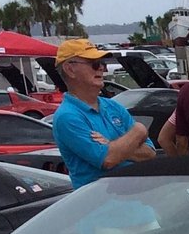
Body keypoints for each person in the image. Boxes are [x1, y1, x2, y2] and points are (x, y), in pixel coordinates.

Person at [50, 38, 152, 188]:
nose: (101, 69)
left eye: (102, 64)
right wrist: (138, 131)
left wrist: (112, 145)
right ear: (70, 69)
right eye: (94, 64)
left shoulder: (113, 106)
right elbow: (108, 159)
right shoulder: (67, 117)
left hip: (136, 199)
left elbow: (150, 153)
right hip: (100, 205)